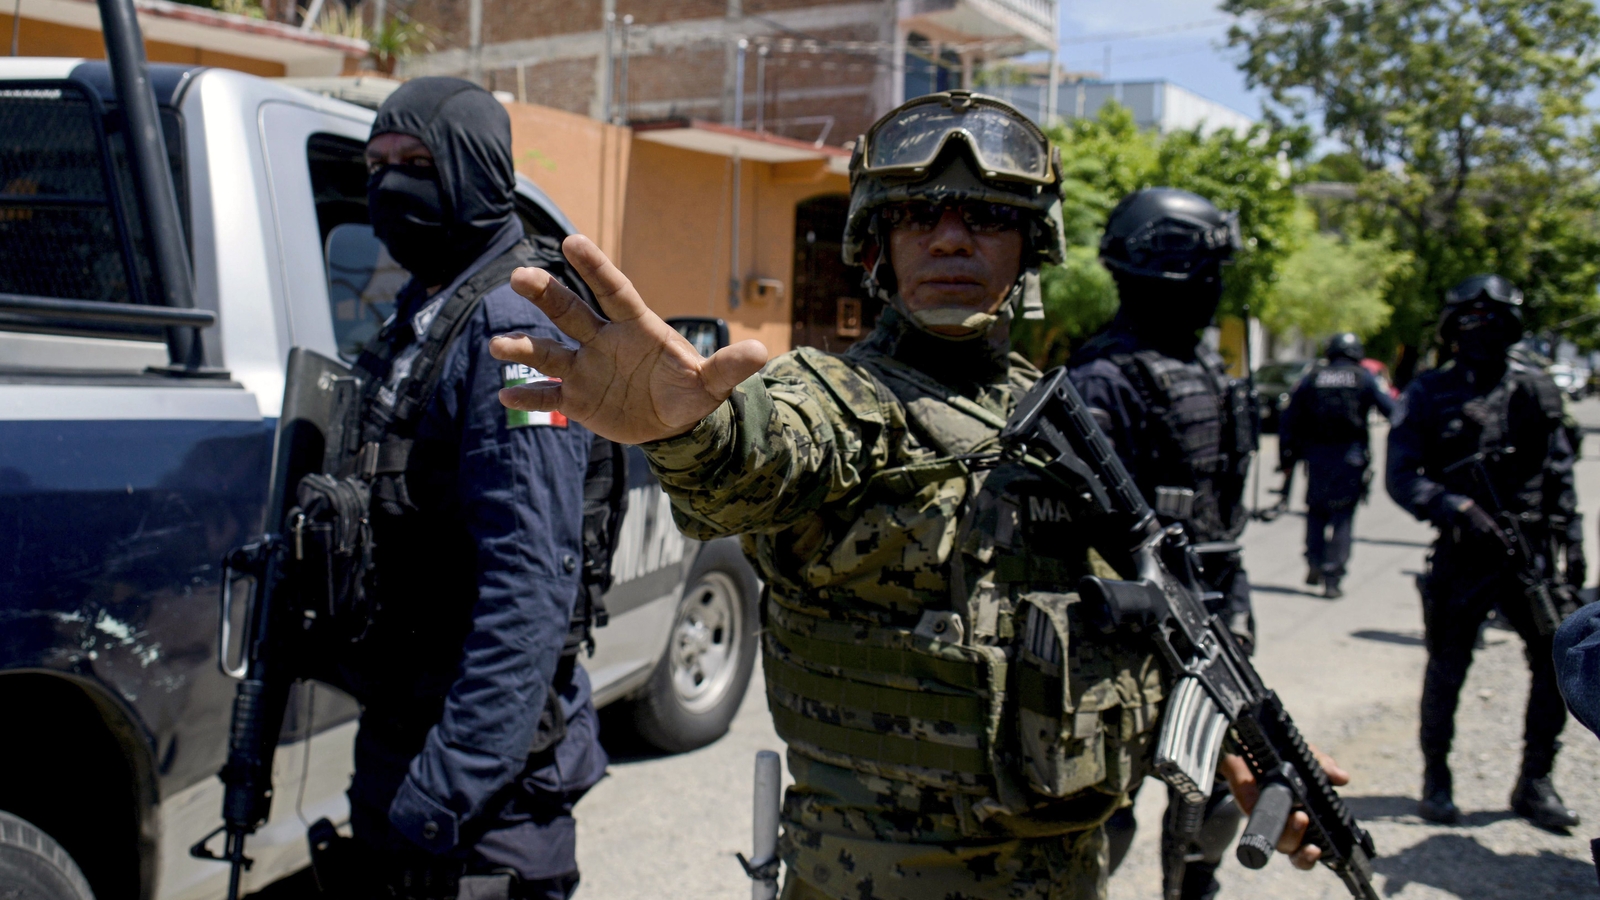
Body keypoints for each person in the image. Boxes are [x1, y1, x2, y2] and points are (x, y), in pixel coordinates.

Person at [490, 90, 1339, 900]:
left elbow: (1122, 624)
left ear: (1031, 247)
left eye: (989, 218)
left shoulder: (1050, 410)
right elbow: (761, 455)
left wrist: (1236, 741)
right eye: (918, 215)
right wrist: (689, 433)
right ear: (875, 248)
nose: (952, 239)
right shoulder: (842, 398)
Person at [334, 77, 607, 899]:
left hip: (480, 808)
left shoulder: (515, 331)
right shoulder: (423, 311)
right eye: (376, 165)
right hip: (407, 749)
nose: (389, 185)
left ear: (478, 173)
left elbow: (531, 580)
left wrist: (446, 790)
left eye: (415, 161)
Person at [1066, 187, 1257, 900]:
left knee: (1209, 812)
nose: (1217, 290)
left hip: (1215, 620)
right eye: (1209, 274)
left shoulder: (1207, 369)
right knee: (1101, 817)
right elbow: (1085, 543)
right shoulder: (1102, 383)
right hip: (1127, 641)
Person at [1386, 274, 1581, 832]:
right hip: (1464, 554)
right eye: (1470, 320)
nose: (1482, 330)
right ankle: (1436, 779)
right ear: (1452, 329)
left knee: (1555, 664)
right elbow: (1401, 477)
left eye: (1494, 321)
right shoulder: (1428, 392)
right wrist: (1454, 508)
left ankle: (1535, 781)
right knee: (1447, 668)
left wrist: (1573, 542)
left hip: (1530, 553)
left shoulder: (1536, 388)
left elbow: (1559, 470)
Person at [1279, 332, 1396, 599]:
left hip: (1316, 458)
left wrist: (1286, 457)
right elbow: (1392, 410)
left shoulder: (1312, 378)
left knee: (1317, 512)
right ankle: (1333, 578)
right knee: (1343, 518)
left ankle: (1314, 561)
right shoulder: (1363, 378)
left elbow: (1289, 418)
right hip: (1350, 459)